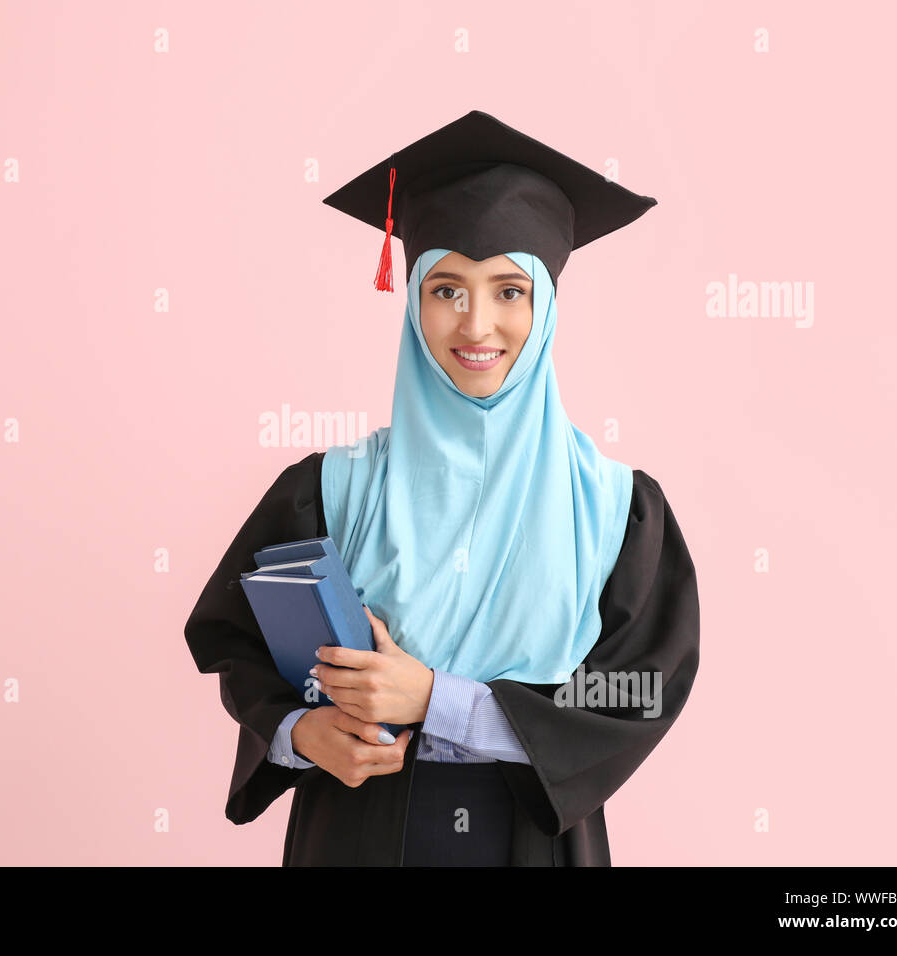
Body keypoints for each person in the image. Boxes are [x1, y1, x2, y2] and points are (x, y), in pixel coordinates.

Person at [183, 110, 700, 866]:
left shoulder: (617, 510)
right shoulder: (332, 489)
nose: (476, 323)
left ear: (547, 308)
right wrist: (302, 734)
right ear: (413, 299)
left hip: (532, 835)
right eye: (447, 289)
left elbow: (638, 695)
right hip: (354, 831)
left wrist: (437, 701)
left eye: (510, 292)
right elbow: (233, 641)